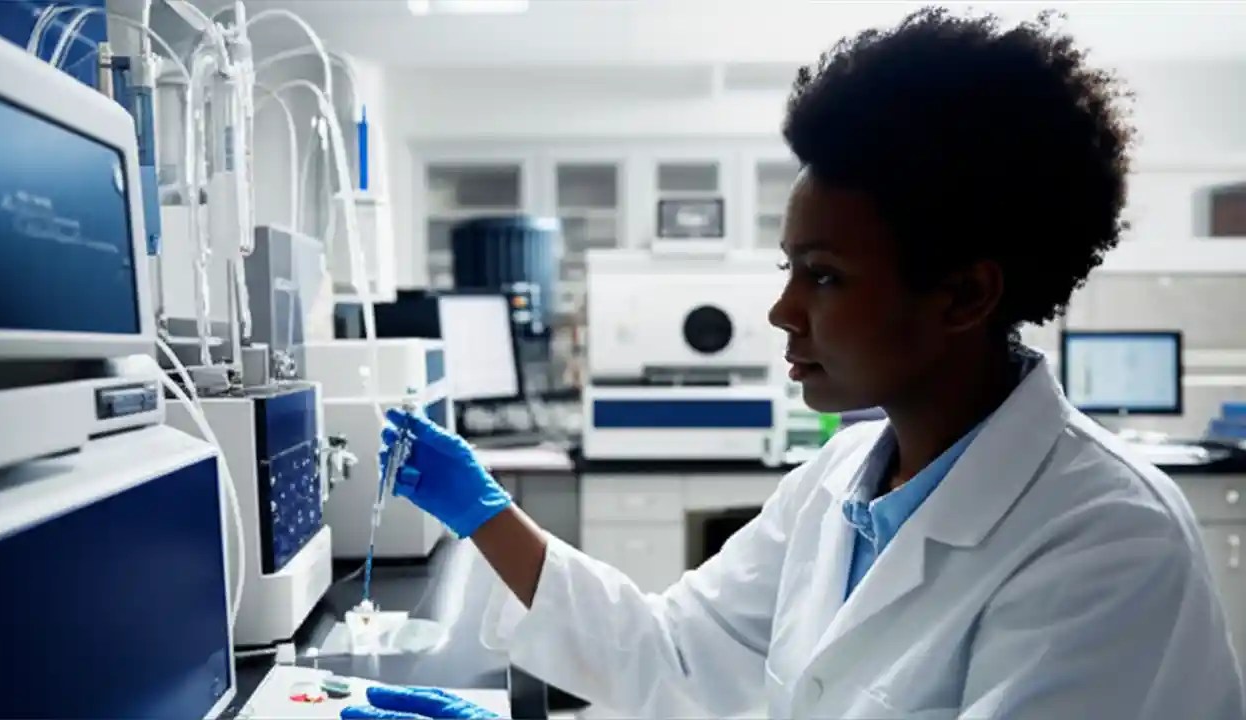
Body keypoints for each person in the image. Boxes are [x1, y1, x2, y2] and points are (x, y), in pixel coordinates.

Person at [343, 8, 1245, 719]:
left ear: (964, 294)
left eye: (824, 275)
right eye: (790, 268)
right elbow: (675, 654)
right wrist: (488, 515)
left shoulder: (1108, 545)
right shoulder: (841, 480)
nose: (782, 310)